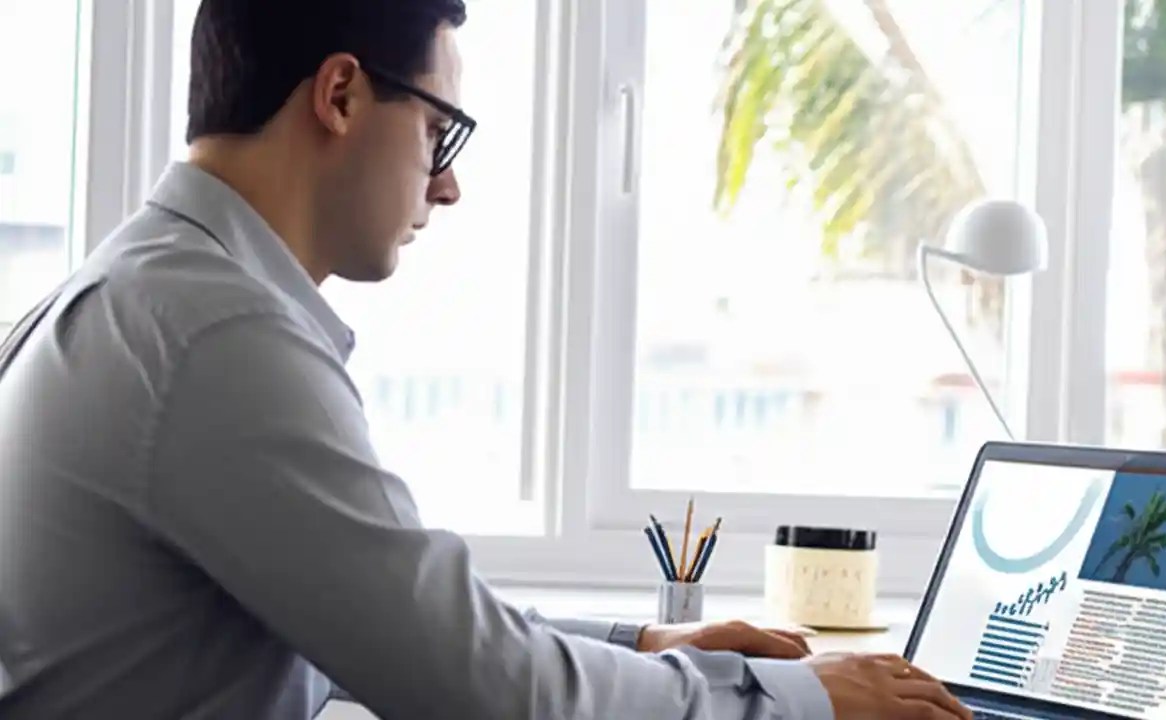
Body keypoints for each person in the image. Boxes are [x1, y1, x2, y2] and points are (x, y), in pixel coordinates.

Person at [0, 1, 972, 718]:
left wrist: (643, 642)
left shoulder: (137, 293)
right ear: (338, 94)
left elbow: (377, 624)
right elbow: (480, 689)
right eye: (436, 130)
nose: (449, 183)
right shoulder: (211, 333)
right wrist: (807, 705)